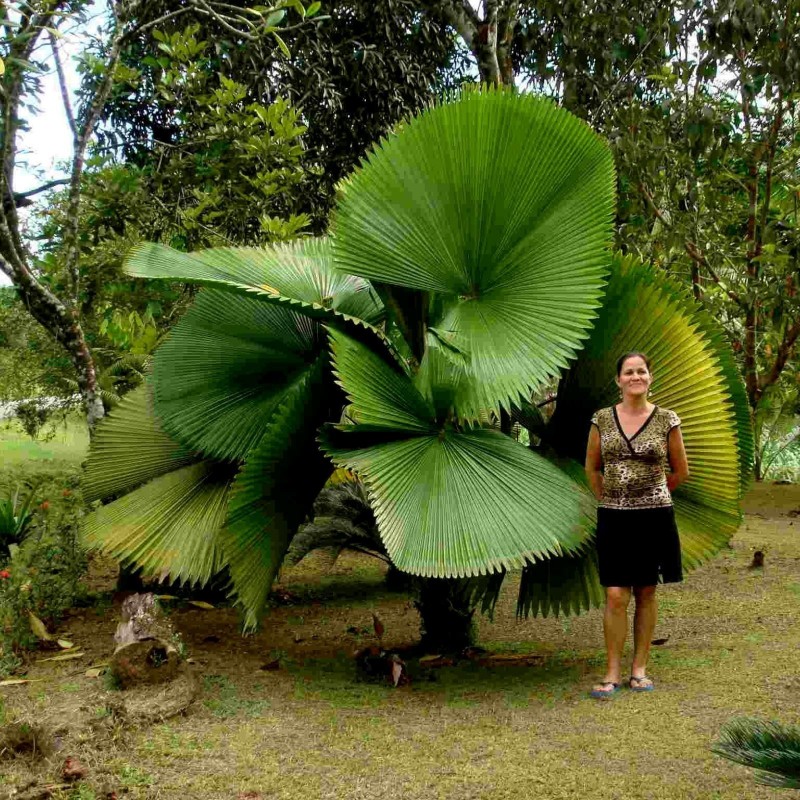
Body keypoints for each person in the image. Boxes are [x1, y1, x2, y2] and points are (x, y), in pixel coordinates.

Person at [584, 351, 690, 698]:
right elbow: (593, 468)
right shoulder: (601, 419)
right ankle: (612, 671)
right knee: (616, 594)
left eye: (641, 371)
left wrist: (651, 494)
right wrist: (613, 498)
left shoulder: (667, 419)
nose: (635, 376)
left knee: (646, 590)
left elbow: (680, 470)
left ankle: (639, 669)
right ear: (618, 380)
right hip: (614, 516)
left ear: (650, 377)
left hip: (654, 517)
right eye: (628, 372)